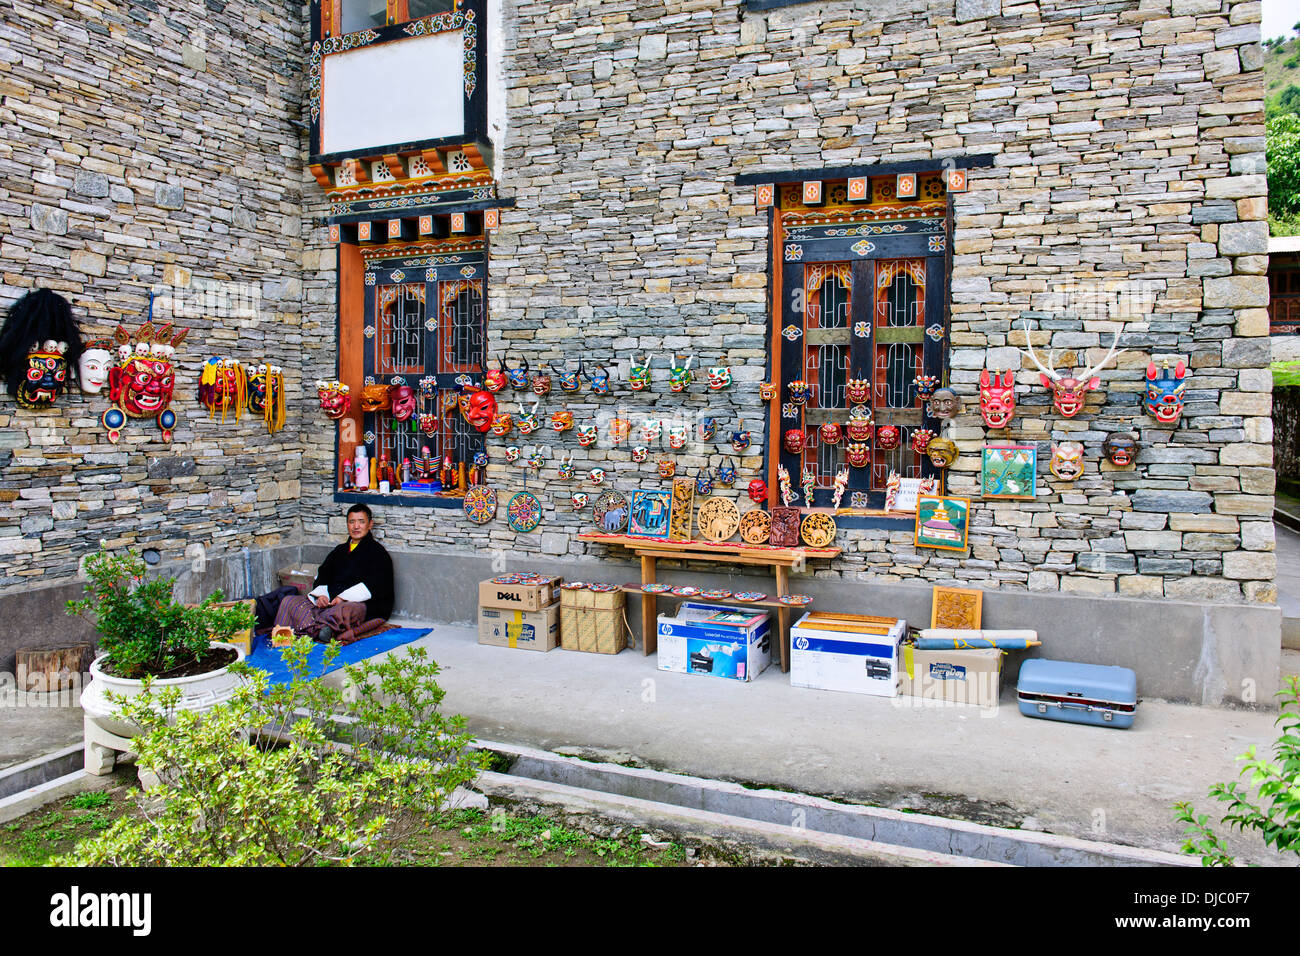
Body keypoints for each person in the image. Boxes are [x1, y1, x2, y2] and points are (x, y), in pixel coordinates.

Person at [271, 504, 395, 642]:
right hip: (330, 601)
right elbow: (323, 575)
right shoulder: (339, 551)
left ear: (370, 524)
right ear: (347, 524)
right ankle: (319, 629)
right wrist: (321, 596)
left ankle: (312, 628)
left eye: (361, 522)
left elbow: (376, 586)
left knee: (344, 610)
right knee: (290, 601)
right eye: (352, 522)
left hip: (361, 605)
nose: (356, 526)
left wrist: (343, 598)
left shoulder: (378, 553)